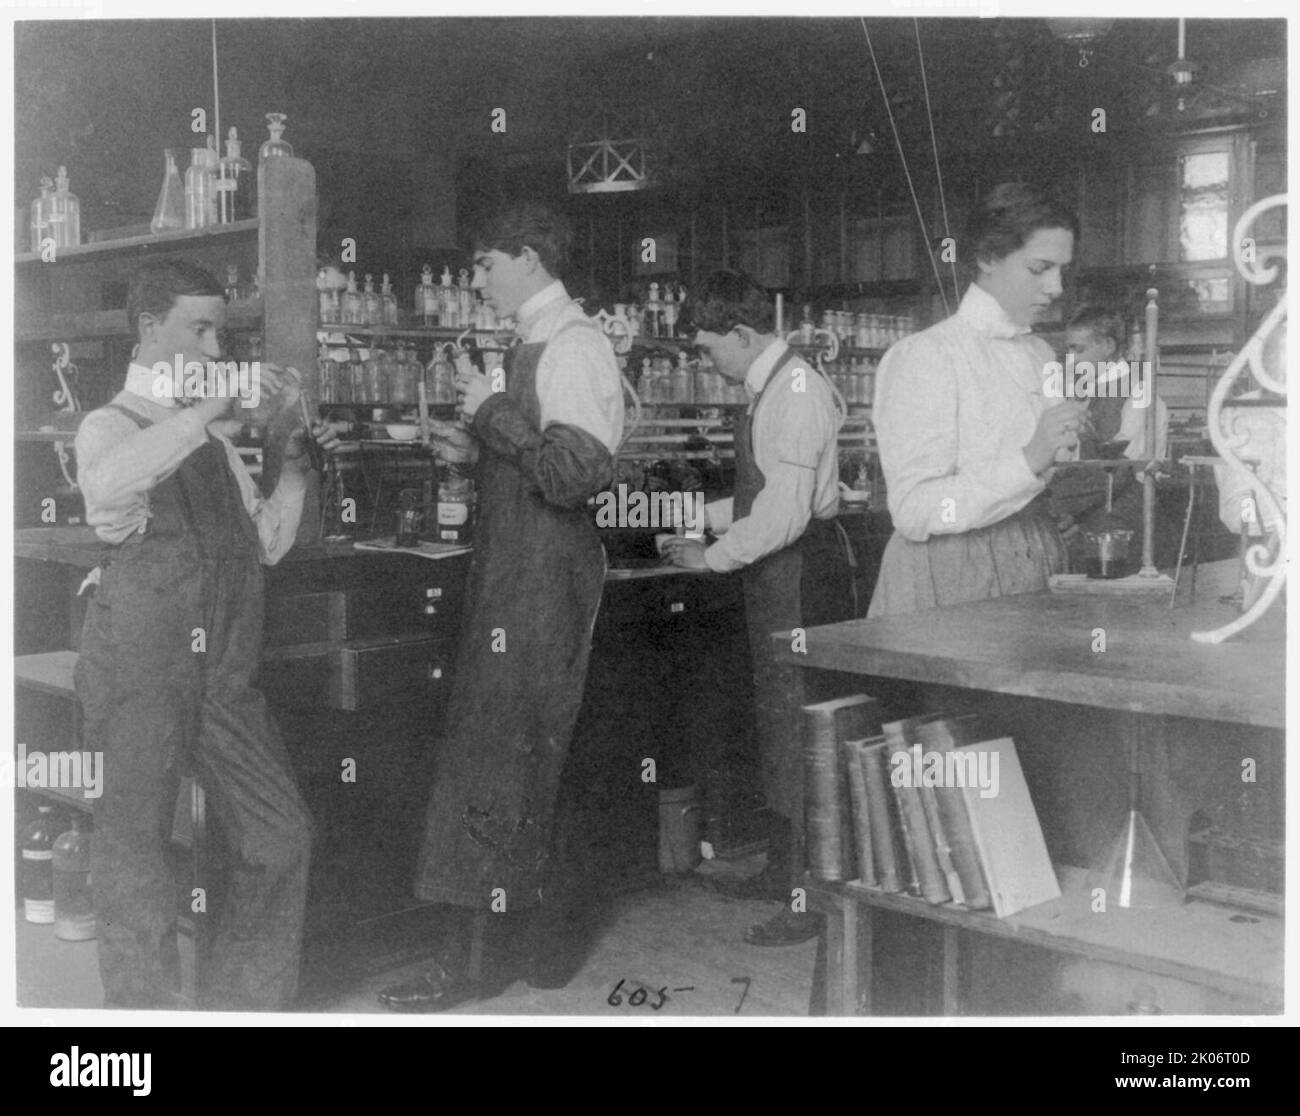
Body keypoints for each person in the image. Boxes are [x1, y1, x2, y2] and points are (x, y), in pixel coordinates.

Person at [74, 259, 339, 1010]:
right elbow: (105, 494)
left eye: (220, 333)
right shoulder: (111, 425)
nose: (217, 351)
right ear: (149, 328)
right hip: (141, 673)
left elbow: (263, 545)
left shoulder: (216, 447)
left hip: (222, 677)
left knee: (280, 836)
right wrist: (198, 418)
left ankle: (243, 1011)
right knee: (134, 859)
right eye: (200, 329)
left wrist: (291, 477)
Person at [378, 203, 624, 1012]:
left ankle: (479, 964)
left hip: (544, 583)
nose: (476, 280)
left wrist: (491, 413)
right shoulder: (531, 343)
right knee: (496, 759)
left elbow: (572, 475)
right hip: (514, 576)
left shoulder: (577, 346)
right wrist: (478, 447)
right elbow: (536, 459)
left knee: (502, 759)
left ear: (527, 257)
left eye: (485, 264)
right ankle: (510, 951)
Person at [662, 269, 853, 947]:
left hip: (799, 573)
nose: (707, 364)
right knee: (778, 730)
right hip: (775, 570)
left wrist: (707, 556)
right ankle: (782, 871)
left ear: (743, 334)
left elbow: (782, 513)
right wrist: (686, 517)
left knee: (799, 733)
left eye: (712, 348)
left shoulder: (795, 390)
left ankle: (806, 901)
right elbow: (756, 497)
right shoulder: (769, 386)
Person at [869, 183, 1087, 618]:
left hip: (1034, 559)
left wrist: (1044, 514)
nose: (1057, 286)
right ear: (987, 257)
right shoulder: (927, 356)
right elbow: (913, 510)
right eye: (1039, 268)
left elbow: (1039, 473)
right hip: (950, 576)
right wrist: (1029, 460)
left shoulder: (1040, 353)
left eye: (1063, 270)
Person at [1048, 304, 1170, 554]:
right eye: (1068, 349)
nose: (1070, 359)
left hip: (1123, 522)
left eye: (1078, 349)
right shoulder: (1085, 395)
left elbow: (1118, 471)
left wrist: (1051, 504)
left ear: (1108, 346)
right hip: (1086, 520)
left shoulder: (1139, 395)